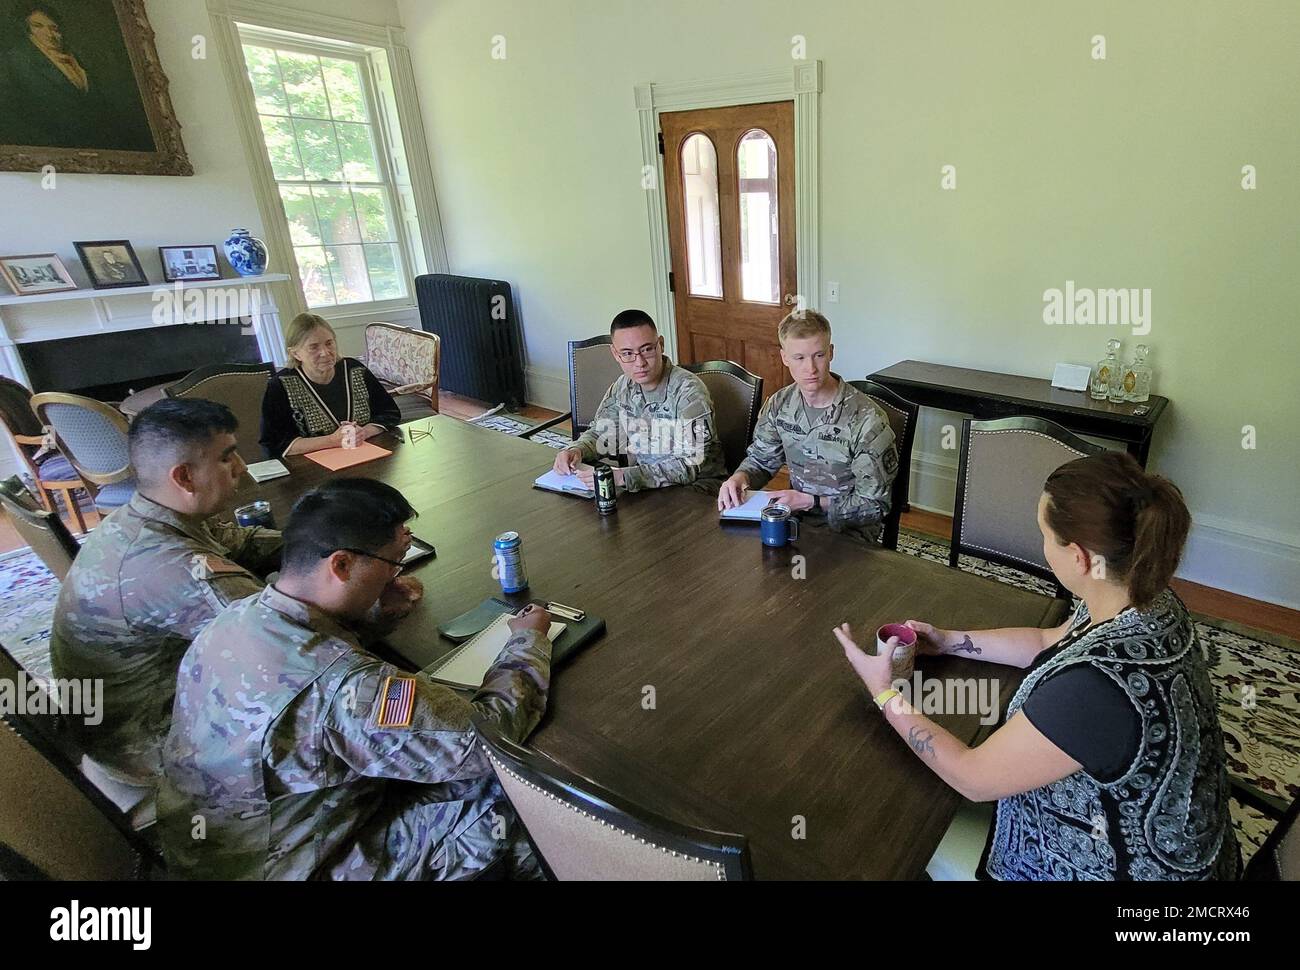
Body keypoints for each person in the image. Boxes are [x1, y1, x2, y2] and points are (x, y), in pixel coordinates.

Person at [835, 451, 1241, 880]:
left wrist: (884, 694)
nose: (1042, 547)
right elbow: (1049, 639)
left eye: (1045, 534)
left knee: (894, 835)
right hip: (1189, 843)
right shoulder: (1142, 596)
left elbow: (974, 778)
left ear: (1080, 558)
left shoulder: (1096, 690)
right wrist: (951, 641)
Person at [159, 478, 553, 880]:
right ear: (342, 564)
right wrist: (528, 641)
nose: (395, 577)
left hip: (215, 848)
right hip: (294, 864)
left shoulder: (237, 616)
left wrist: (375, 616)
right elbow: (487, 739)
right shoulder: (348, 687)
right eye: (392, 562)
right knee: (522, 795)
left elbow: (310, 654)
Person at [50, 399, 281, 824]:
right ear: (184, 477)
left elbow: (237, 543)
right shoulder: (170, 565)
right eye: (227, 457)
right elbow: (284, 644)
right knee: (340, 715)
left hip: (120, 715)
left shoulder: (150, 513)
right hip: (147, 740)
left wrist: (314, 541)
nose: (242, 467)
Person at [717, 310, 898, 543]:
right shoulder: (779, 404)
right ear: (784, 358)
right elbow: (761, 460)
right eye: (799, 358)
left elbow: (875, 506)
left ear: (831, 352)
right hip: (795, 520)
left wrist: (811, 501)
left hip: (848, 532)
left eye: (819, 355)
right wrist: (740, 478)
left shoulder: (867, 419)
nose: (810, 369)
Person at [552, 309, 726, 492]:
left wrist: (625, 476)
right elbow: (601, 433)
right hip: (648, 487)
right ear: (615, 354)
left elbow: (691, 465)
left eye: (647, 349)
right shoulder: (623, 387)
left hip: (698, 490)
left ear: (661, 344)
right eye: (627, 353)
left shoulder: (689, 391)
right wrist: (576, 450)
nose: (640, 362)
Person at [0, 3, 156, 152]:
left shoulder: (74, 59)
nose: (49, 34)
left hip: (97, 142)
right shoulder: (16, 60)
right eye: (38, 26)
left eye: (53, 28)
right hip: (54, 146)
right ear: (27, 30)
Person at [259, 313, 401, 458]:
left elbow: (389, 412)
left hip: (368, 455)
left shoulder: (355, 369)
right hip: (312, 468)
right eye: (313, 347)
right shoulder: (279, 386)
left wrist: (364, 432)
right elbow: (275, 444)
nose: (325, 353)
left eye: (329, 343)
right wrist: (331, 441)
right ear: (295, 353)